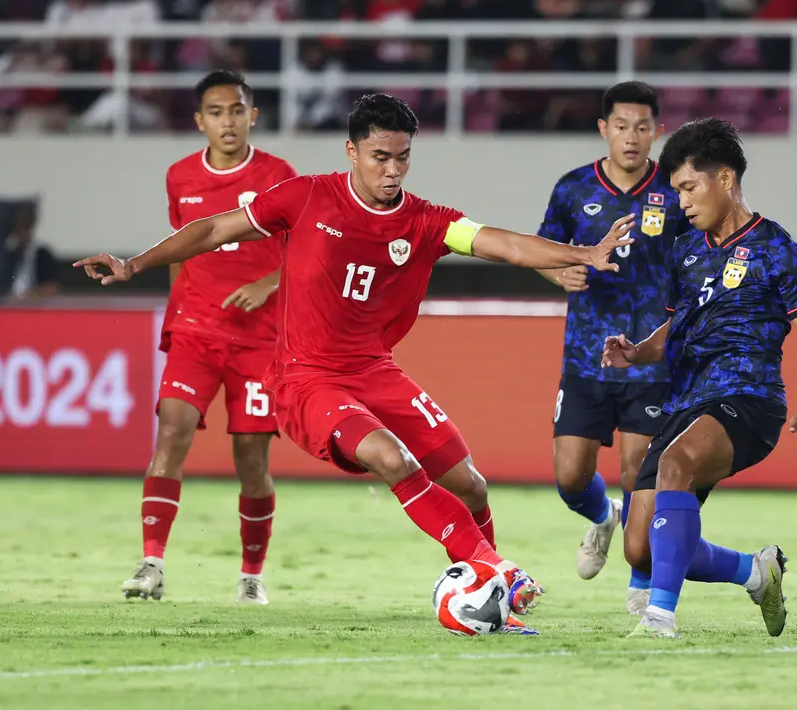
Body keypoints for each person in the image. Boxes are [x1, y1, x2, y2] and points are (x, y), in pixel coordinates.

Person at [77, 93, 632, 634]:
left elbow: (504, 245)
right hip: (306, 378)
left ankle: (490, 585)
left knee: (472, 487)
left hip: (375, 371)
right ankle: (496, 573)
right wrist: (135, 263)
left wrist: (582, 254)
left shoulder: (425, 221)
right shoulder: (304, 197)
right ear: (351, 152)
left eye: (402, 158)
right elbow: (217, 228)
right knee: (389, 457)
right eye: (380, 157)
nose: (393, 171)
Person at [602, 118, 797, 639]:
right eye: (676, 191)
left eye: (688, 187)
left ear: (725, 179)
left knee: (677, 463)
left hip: (748, 400)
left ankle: (661, 617)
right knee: (639, 547)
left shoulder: (777, 249)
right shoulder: (686, 252)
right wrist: (636, 352)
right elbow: (677, 326)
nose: (681, 202)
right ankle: (756, 572)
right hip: (687, 403)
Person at [122, 70, 297, 606]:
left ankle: (251, 575)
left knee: (251, 459)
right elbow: (182, 248)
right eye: (216, 112)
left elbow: (312, 251)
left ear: (253, 116)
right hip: (197, 329)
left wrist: (269, 283)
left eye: (237, 110)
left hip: (259, 339)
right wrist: (177, 315)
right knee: (172, 433)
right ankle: (151, 564)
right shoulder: (179, 176)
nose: (228, 121)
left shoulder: (279, 175)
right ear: (200, 121)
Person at [536, 81, 689, 614]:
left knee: (637, 473)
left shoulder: (674, 191)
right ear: (604, 129)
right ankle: (602, 518)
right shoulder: (574, 188)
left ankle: (641, 583)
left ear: (657, 131)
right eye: (621, 126)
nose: (631, 137)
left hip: (649, 359)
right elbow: (542, 251)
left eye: (642, 127)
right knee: (570, 477)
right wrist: (562, 275)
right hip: (585, 356)